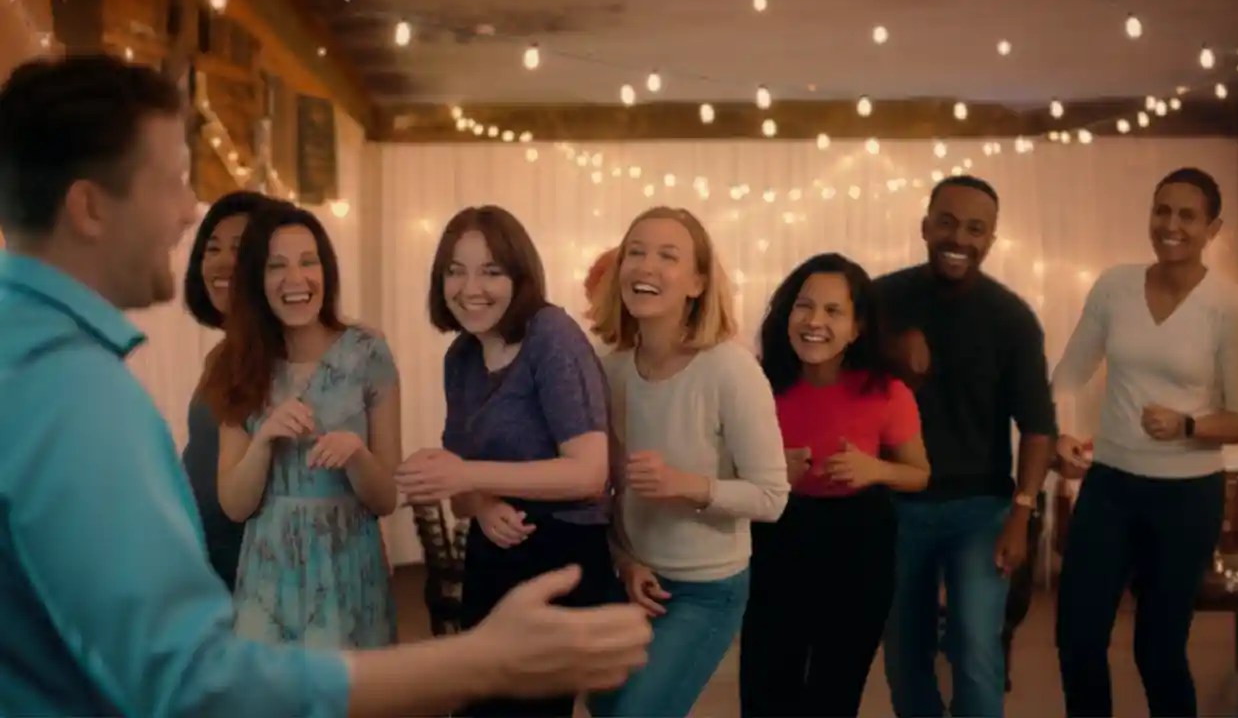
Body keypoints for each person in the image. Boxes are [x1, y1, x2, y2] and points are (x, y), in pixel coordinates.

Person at [0, 53, 652, 716]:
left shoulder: (49, 365)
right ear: (88, 207)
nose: (190, 211)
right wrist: (478, 660)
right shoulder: (69, 390)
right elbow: (190, 678)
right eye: (171, 180)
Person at [1052, 167, 1238, 718]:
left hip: (1187, 498)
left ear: (1213, 228)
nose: (1170, 225)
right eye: (1161, 211)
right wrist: (1063, 431)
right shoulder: (1114, 286)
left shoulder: (1233, 308)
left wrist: (1189, 426)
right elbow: (1070, 374)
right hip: (1110, 487)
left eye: (1186, 215)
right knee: (1077, 639)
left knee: (1158, 650)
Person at [395, 205, 622, 716]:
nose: (469, 287)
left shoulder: (550, 334)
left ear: (520, 276)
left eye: (490, 271)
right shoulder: (461, 357)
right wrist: (481, 503)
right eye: (455, 270)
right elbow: (460, 497)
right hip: (492, 550)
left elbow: (589, 473)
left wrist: (469, 478)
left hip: (560, 553)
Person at [586, 207, 790, 717]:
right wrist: (624, 560)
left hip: (707, 591)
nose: (645, 266)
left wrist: (688, 485)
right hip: (632, 581)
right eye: (636, 252)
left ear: (697, 282)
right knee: (606, 711)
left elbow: (771, 497)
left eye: (667, 256)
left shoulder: (731, 369)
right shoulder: (608, 372)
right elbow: (606, 494)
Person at [874, 175, 1057, 718]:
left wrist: (1021, 515)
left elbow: (1039, 428)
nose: (960, 237)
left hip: (981, 511)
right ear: (926, 226)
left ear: (991, 239)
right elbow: (836, 375)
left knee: (977, 650)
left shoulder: (1012, 318)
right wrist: (889, 354)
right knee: (904, 654)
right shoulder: (881, 300)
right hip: (896, 506)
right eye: (948, 222)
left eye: (976, 229)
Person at [739, 253, 930, 717]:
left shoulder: (887, 391)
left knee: (834, 692)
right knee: (766, 685)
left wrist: (875, 469)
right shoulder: (755, 383)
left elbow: (919, 473)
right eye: (803, 307)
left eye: (833, 311)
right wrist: (768, 472)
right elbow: (723, 472)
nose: (814, 321)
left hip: (859, 541)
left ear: (857, 327)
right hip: (776, 536)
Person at [202, 204, 400, 648]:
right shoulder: (233, 363)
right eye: (277, 266)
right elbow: (235, 505)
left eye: (308, 262)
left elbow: (387, 498)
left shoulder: (369, 353)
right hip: (268, 581)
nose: (296, 279)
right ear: (257, 280)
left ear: (326, 271)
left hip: (350, 570)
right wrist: (264, 440)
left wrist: (357, 454)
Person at [181, 189, 279, 592]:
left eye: (238, 248)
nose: (220, 262)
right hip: (204, 569)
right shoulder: (220, 357)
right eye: (211, 248)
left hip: (259, 577)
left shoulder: (288, 355)